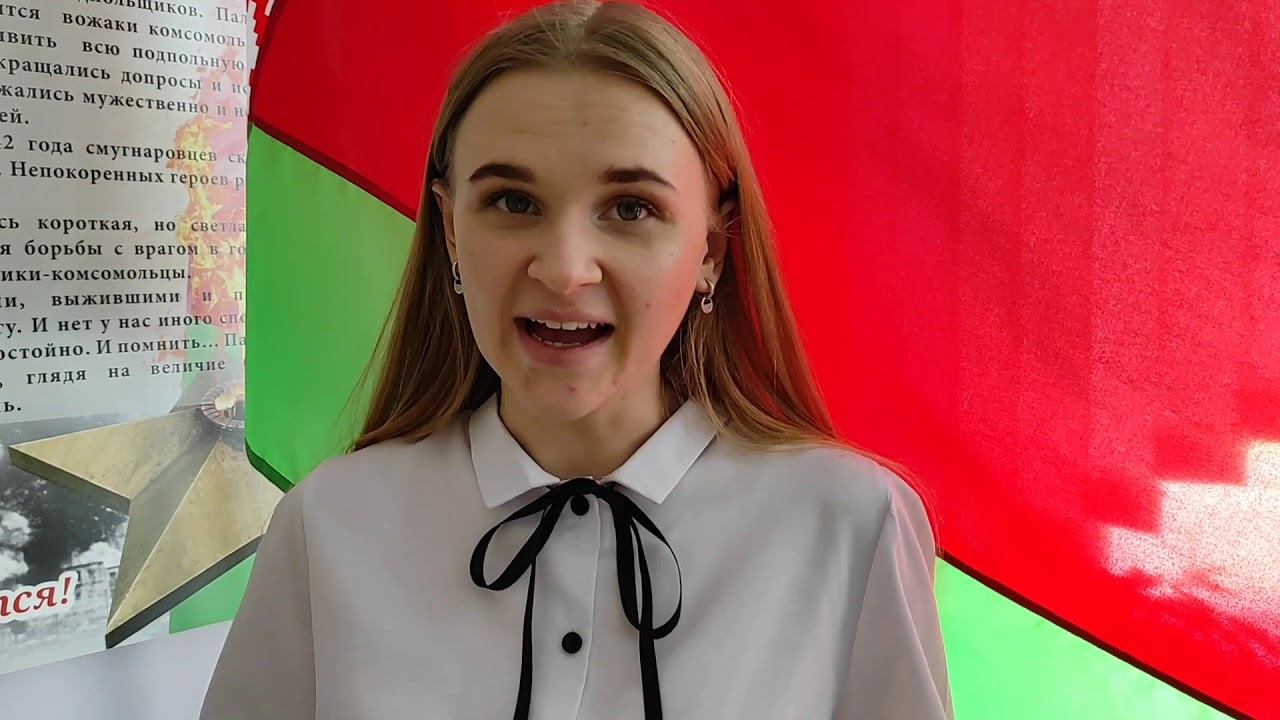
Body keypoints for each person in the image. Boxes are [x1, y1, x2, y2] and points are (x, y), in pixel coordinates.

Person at [199, 0, 953, 717]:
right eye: (513, 202)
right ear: (451, 231)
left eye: (631, 209)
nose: (564, 270)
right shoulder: (328, 526)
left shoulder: (853, 527)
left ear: (712, 250)